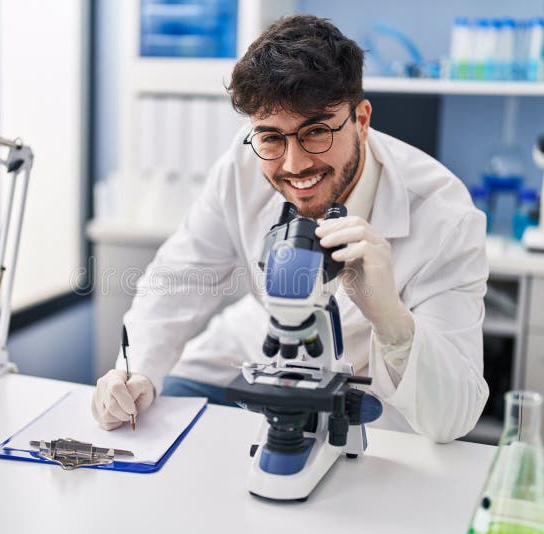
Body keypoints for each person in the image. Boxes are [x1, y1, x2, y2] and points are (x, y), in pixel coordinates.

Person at [91, 14, 489, 443]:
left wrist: (391, 319)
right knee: (167, 414)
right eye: (271, 138)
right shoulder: (242, 168)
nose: (294, 165)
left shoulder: (444, 216)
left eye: (317, 131)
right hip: (255, 351)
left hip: (372, 388)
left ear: (361, 119)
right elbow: (179, 277)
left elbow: (454, 415)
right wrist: (133, 373)